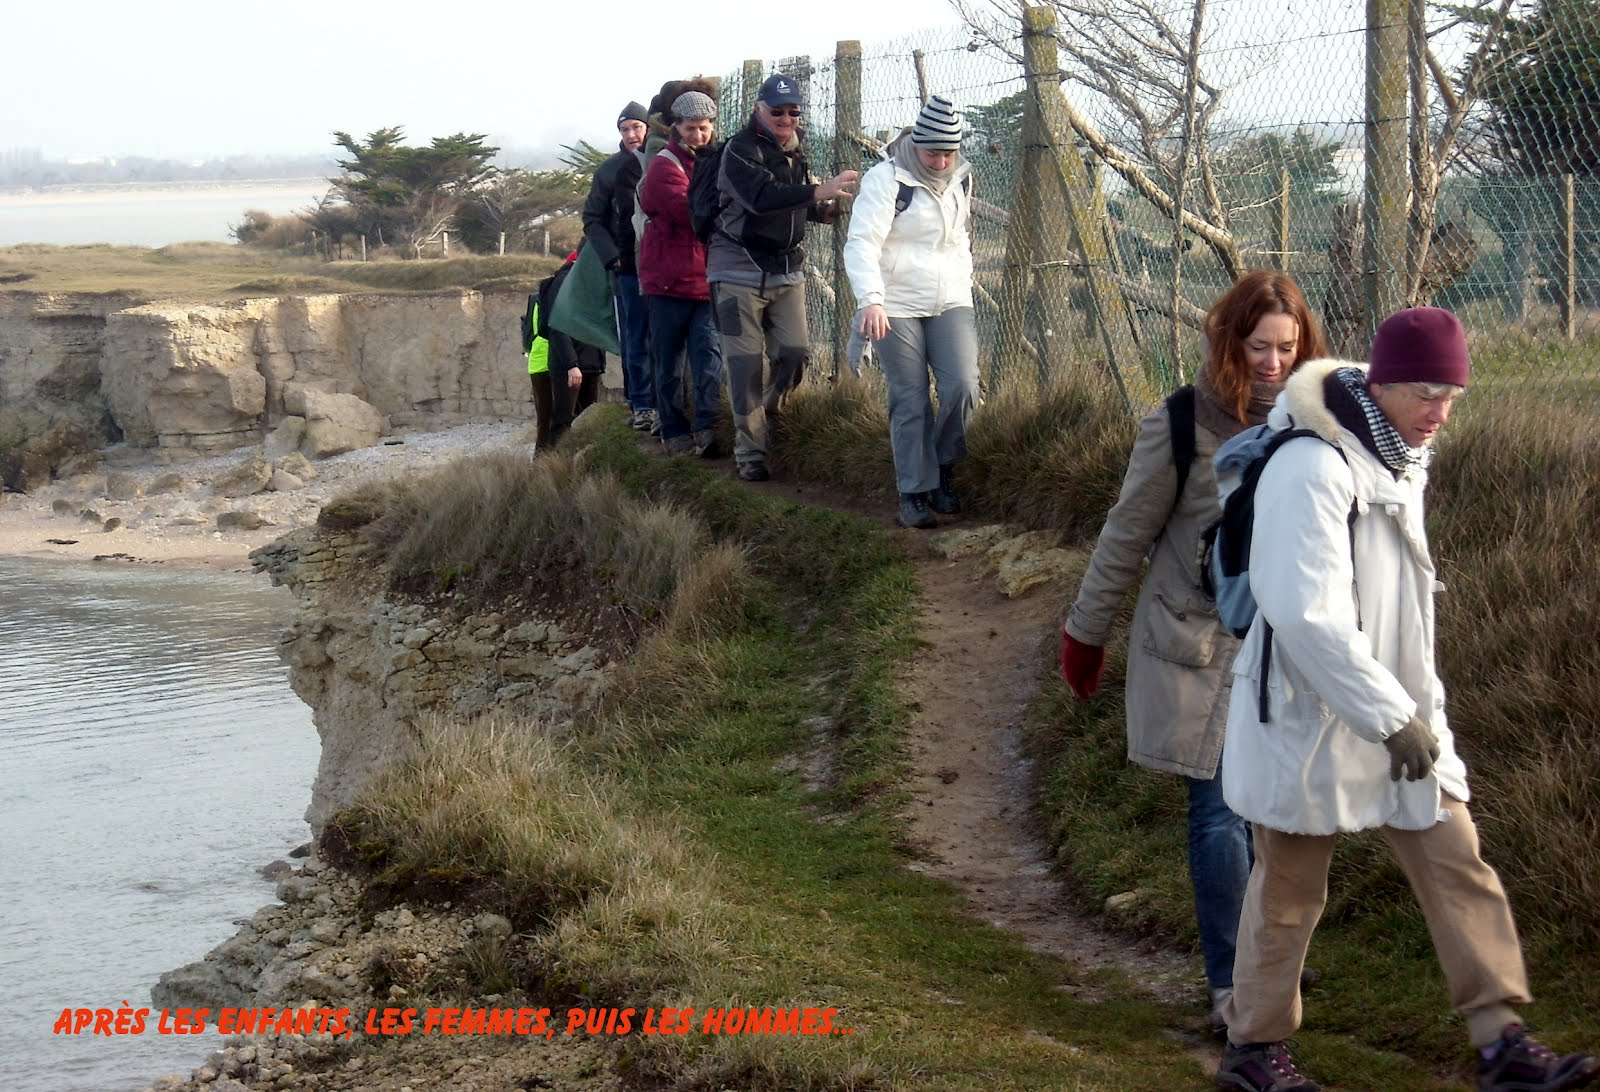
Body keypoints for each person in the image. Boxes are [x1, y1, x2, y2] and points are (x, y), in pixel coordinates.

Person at [1214, 308, 1599, 1092]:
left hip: (1399, 719)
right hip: (1305, 716)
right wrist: (1390, 720)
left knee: (1459, 863)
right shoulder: (1312, 466)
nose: (1440, 413)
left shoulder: (1399, 460)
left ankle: (1503, 1043)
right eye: (1427, 393)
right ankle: (1253, 1051)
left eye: (1452, 396)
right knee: (1288, 888)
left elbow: (1406, 620)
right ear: (1381, 384)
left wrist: (1419, 721)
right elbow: (1304, 611)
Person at [1059, 271, 1326, 1036]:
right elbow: (1126, 534)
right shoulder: (1180, 423)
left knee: (1282, 821)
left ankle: (1265, 971)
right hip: (1201, 646)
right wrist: (1087, 631)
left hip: (1294, 654)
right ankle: (1231, 987)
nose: (1274, 362)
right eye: (1258, 346)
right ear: (1228, 340)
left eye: (1288, 347)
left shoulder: (1325, 423)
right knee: (1218, 815)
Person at [706, 72, 859, 482]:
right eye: (778, 111)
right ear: (760, 110)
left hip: (786, 270)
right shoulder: (739, 151)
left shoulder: (795, 148)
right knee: (744, 367)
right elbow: (760, 198)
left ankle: (770, 411)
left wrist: (825, 209)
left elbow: (793, 202)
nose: (786, 118)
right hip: (734, 271)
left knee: (795, 354)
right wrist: (817, 192)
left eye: (793, 111)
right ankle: (749, 453)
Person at [844, 95, 980, 528]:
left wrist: (964, 285)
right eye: (932, 152)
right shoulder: (887, 179)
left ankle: (943, 468)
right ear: (916, 144)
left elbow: (959, 238)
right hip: (895, 301)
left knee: (963, 387)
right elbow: (862, 242)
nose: (940, 161)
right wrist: (871, 299)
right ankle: (914, 491)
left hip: (951, 297)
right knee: (911, 397)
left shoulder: (962, 176)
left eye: (948, 152)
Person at [638, 90, 725, 458]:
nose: (698, 136)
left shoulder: (717, 161)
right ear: (676, 127)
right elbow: (692, 212)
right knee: (669, 361)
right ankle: (674, 429)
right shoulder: (663, 166)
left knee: (709, 359)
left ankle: (707, 427)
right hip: (668, 281)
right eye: (691, 128)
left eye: (704, 128)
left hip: (705, 279)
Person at [582, 100, 656, 433]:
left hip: (665, 264)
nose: (631, 134)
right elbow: (593, 218)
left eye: (636, 127)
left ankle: (668, 402)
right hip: (626, 268)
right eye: (625, 129)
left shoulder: (664, 162)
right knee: (635, 337)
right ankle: (641, 404)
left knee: (667, 336)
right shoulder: (609, 170)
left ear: (648, 128)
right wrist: (612, 256)